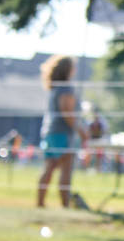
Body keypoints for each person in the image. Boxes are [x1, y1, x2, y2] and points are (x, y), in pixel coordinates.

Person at [36, 55, 88, 209]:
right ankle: (64, 204)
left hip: (50, 132)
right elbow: (67, 112)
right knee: (65, 169)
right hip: (62, 134)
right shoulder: (66, 88)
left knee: (49, 168)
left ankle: (41, 203)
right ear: (69, 70)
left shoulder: (55, 87)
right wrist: (81, 131)